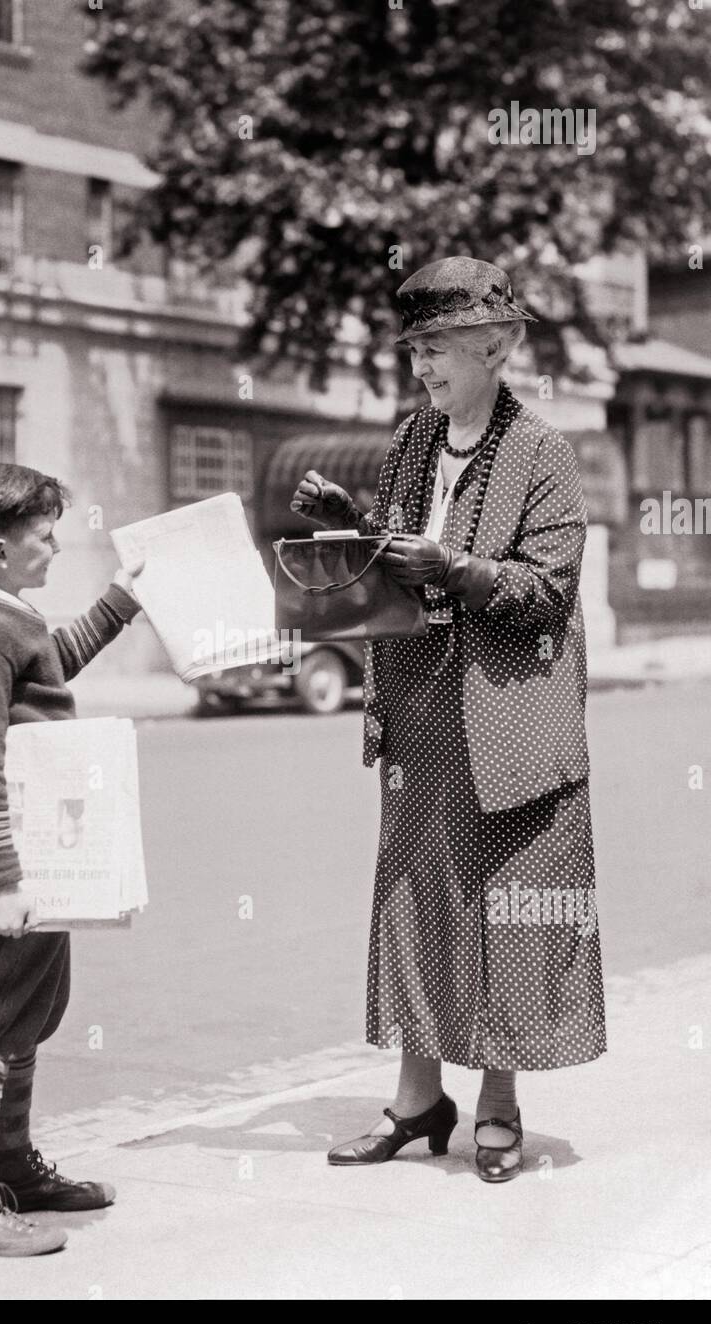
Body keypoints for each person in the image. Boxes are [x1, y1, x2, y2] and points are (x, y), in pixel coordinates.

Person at [292, 256, 606, 1183]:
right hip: (423, 705)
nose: (424, 369)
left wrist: (458, 570)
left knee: (507, 905)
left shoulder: (542, 452)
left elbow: (547, 591)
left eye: (440, 350)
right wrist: (353, 521)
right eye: (417, 351)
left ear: (498, 347)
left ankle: (499, 1103)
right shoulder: (411, 442)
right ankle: (418, 1100)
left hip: (512, 717)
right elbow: (394, 557)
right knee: (415, 900)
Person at [0, 463, 141, 1253]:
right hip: (11, 861)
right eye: (45, 534)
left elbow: (52, 662)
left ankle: (10, 1166)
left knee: (32, 1010)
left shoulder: (4, 616)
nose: (57, 544)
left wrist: (120, 601)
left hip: (43, 848)